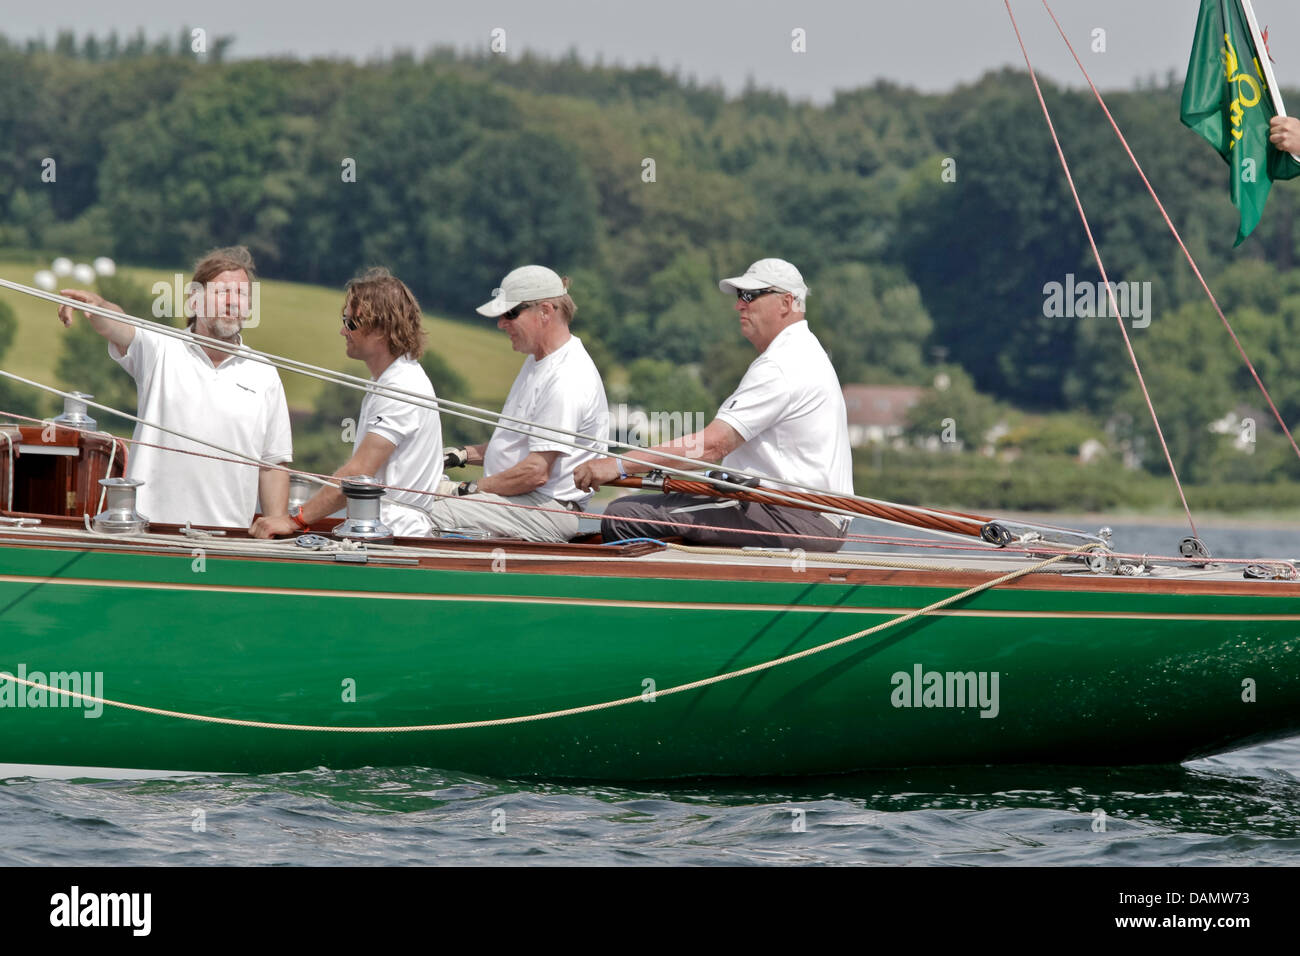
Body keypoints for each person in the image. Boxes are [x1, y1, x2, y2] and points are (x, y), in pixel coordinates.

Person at [575, 258, 852, 552]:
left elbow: (712, 446)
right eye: (738, 297)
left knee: (623, 516)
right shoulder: (805, 351)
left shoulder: (782, 364)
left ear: (786, 302)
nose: (739, 306)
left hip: (793, 516)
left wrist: (617, 464)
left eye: (750, 295)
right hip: (801, 514)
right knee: (638, 511)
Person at [55, 246, 292, 528]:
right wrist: (98, 307)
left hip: (229, 538)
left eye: (241, 294)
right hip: (151, 531)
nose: (233, 302)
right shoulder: (160, 348)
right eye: (222, 292)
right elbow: (119, 325)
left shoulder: (264, 373)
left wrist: (276, 527)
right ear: (194, 302)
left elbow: (272, 464)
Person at [251, 268, 441, 539]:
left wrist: (295, 521)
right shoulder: (388, 381)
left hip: (396, 534)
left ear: (381, 329)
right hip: (384, 530)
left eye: (352, 323)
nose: (343, 331)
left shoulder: (402, 386)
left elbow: (358, 474)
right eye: (345, 320)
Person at [432, 265, 608, 542]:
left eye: (510, 313)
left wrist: (463, 489)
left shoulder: (566, 378)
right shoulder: (539, 361)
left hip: (546, 509)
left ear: (546, 312)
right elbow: (519, 447)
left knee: (428, 513)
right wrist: (460, 455)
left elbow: (535, 473)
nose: (501, 323)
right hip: (525, 501)